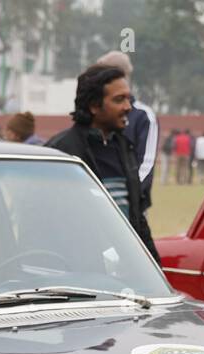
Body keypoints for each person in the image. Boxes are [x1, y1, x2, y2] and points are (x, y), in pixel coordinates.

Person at [46, 64, 158, 262]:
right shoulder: (61, 152)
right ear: (94, 106)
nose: (128, 107)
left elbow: (136, 217)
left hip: (126, 271)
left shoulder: (124, 147)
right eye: (119, 99)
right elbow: (50, 222)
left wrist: (153, 267)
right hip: (78, 273)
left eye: (128, 98)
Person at [95, 51, 157, 212]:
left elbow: (146, 163)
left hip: (130, 206)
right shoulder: (96, 111)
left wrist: (130, 196)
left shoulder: (143, 115)